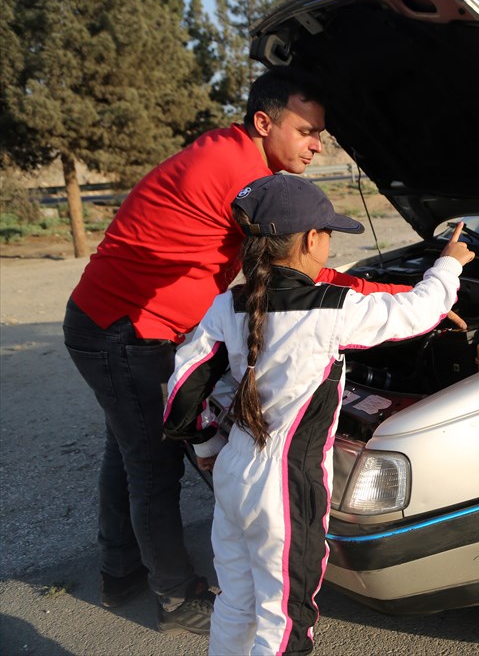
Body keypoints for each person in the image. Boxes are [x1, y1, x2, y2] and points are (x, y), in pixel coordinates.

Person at [62, 67, 413, 635]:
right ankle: (175, 598)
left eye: (320, 133)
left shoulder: (237, 158)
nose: (316, 144)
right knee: (152, 466)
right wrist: (406, 292)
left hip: (111, 321)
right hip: (125, 329)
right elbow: (300, 277)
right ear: (263, 122)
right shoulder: (238, 174)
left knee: (125, 451)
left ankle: (119, 570)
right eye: (306, 131)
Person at [162, 175, 474, 655]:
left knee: (237, 601)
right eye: (329, 233)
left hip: (233, 473)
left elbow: (184, 384)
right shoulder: (333, 308)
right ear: (312, 240)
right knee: (286, 618)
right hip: (285, 488)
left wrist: (205, 446)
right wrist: (448, 266)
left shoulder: (229, 303)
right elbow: (418, 311)